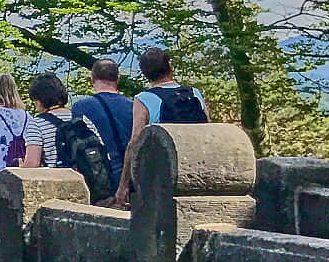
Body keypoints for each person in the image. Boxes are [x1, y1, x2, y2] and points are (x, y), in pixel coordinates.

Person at [109, 46, 208, 205]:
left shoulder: (144, 98)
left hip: (162, 172)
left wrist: (123, 185)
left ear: (145, 74)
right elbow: (208, 129)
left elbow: (135, 141)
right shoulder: (194, 93)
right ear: (170, 66)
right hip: (197, 166)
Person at [70, 59, 135, 189]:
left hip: (101, 178)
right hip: (132, 176)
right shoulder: (134, 106)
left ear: (92, 79)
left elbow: (79, 147)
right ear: (117, 78)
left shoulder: (81, 107)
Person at [23, 73, 73, 165]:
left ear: (39, 100)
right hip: (86, 174)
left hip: (58, 173)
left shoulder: (37, 124)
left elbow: (32, 164)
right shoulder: (82, 119)